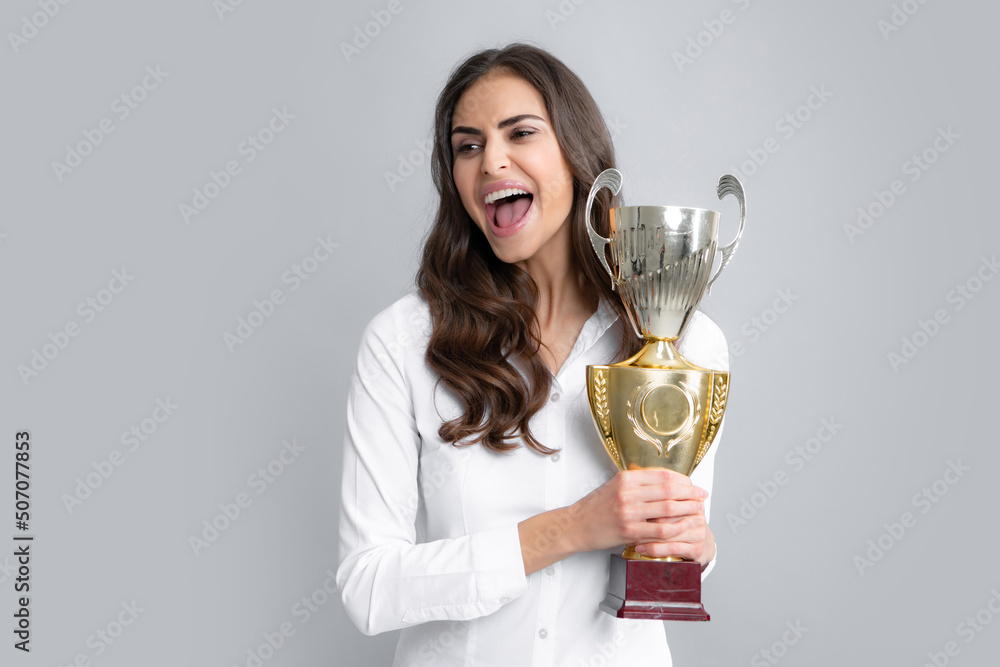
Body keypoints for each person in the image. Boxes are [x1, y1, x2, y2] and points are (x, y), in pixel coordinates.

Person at [337, 43, 729, 666]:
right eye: (467, 145)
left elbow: (674, 561)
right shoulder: (402, 342)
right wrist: (570, 528)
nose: (491, 161)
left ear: (577, 155)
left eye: (520, 132)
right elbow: (368, 588)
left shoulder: (684, 342)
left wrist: (693, 546)